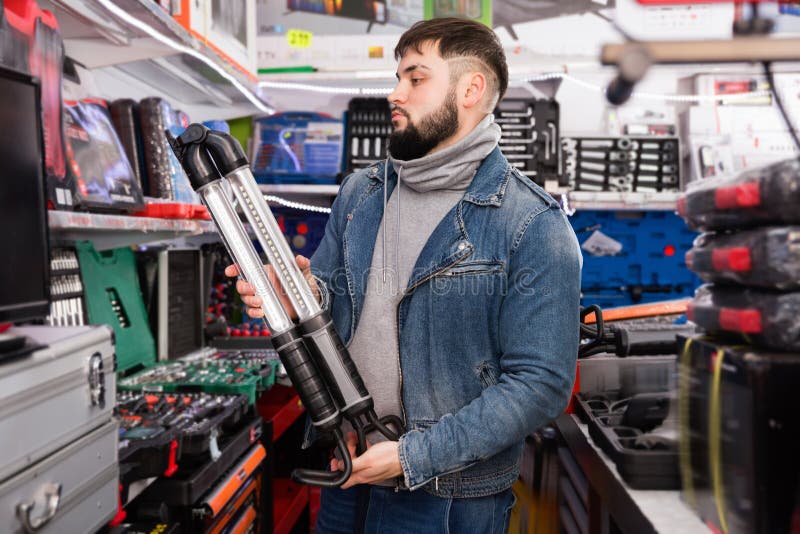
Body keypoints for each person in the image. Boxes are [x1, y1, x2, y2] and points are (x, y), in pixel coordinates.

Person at [227, 17, 581, 534]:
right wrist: (298, 294)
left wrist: (413, 455)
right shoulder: (362, 193)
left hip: (450, 500)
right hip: (348, 474)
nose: (395, 93)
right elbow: (334, 300)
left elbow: (540, 384)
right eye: (398, 78)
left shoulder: (531, 224)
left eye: (415, 78)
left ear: (470, 89)